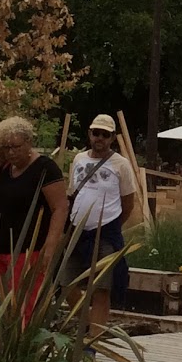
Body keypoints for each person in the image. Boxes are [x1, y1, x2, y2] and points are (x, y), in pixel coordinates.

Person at [0, 116, 68, 321]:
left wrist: (50, 247)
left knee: (20, 309)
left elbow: (60, 207)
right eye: (6, 147)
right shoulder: (4, 168)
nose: (11, 152)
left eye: (16, 147)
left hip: (28, 251)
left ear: (28, 142)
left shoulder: (45, 168)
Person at [63, 114, 138, 334]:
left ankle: (93, 340)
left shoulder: (121, 164)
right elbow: (72, 192)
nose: (100, 138)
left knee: (102, 287)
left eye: (105, 135)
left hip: (105, 231)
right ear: (90, 134)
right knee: (66, 282)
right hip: (77, 231)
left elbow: (128, 202)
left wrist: (111, 224)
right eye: (96, 133)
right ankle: (86, 323)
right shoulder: (79, 159)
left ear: (112, 138)